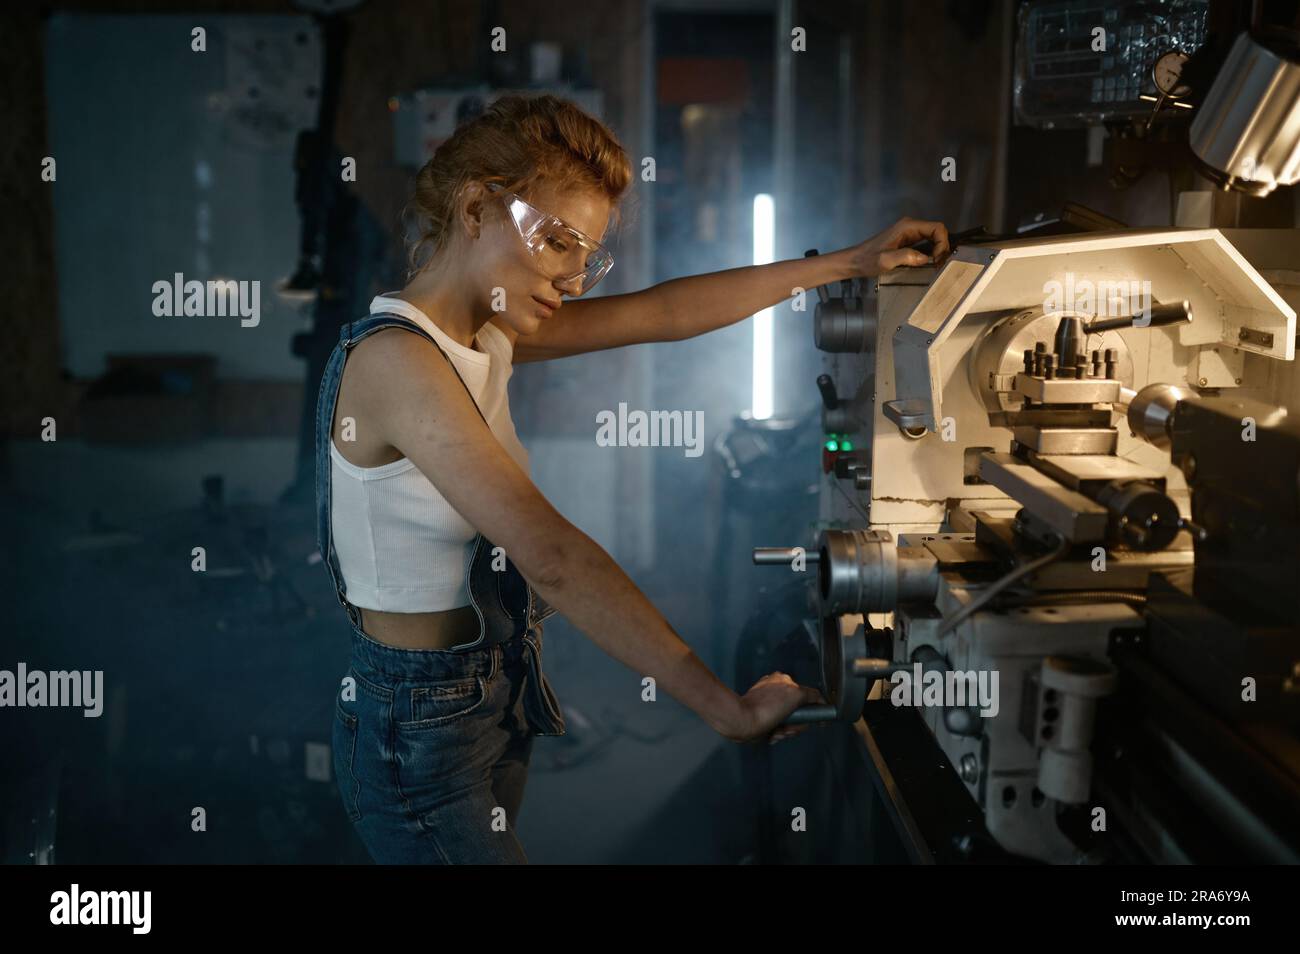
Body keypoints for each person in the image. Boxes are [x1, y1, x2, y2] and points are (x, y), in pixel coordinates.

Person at [319, 93, 950, 863]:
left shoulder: (481, 333)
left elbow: (663, 312)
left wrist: (848, 262)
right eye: (555, 241)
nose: (576, 278)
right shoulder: (398, 361)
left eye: (587, 254)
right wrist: (723, 707)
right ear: (478, 206)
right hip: (413, 730)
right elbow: (551, 557)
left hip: (490, 696)